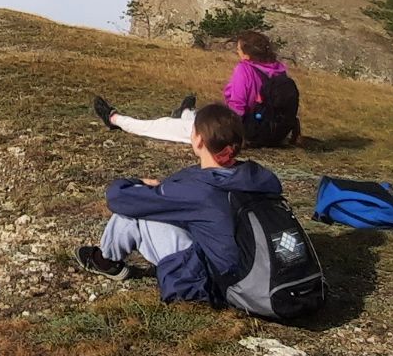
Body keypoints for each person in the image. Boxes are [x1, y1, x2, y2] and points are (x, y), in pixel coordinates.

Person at [73, 103, 283, 305]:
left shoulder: (197, 187)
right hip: (263, 271)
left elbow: (118, 198)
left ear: (198, 140)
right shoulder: (261, 177)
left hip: (222, 284)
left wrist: (137, 183)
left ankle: (105, 260)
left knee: (135, 211)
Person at [89, 29, 295, 144]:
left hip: (237, 133)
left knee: (159, 125)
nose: (237, 52)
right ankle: (186, 112)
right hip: (267, 132)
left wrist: (227, 136)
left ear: (247, 55)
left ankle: (114, 119)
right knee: (197, 116)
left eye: (239, 49)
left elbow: (238, 108)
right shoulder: (278, 70)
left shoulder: (245, 70)